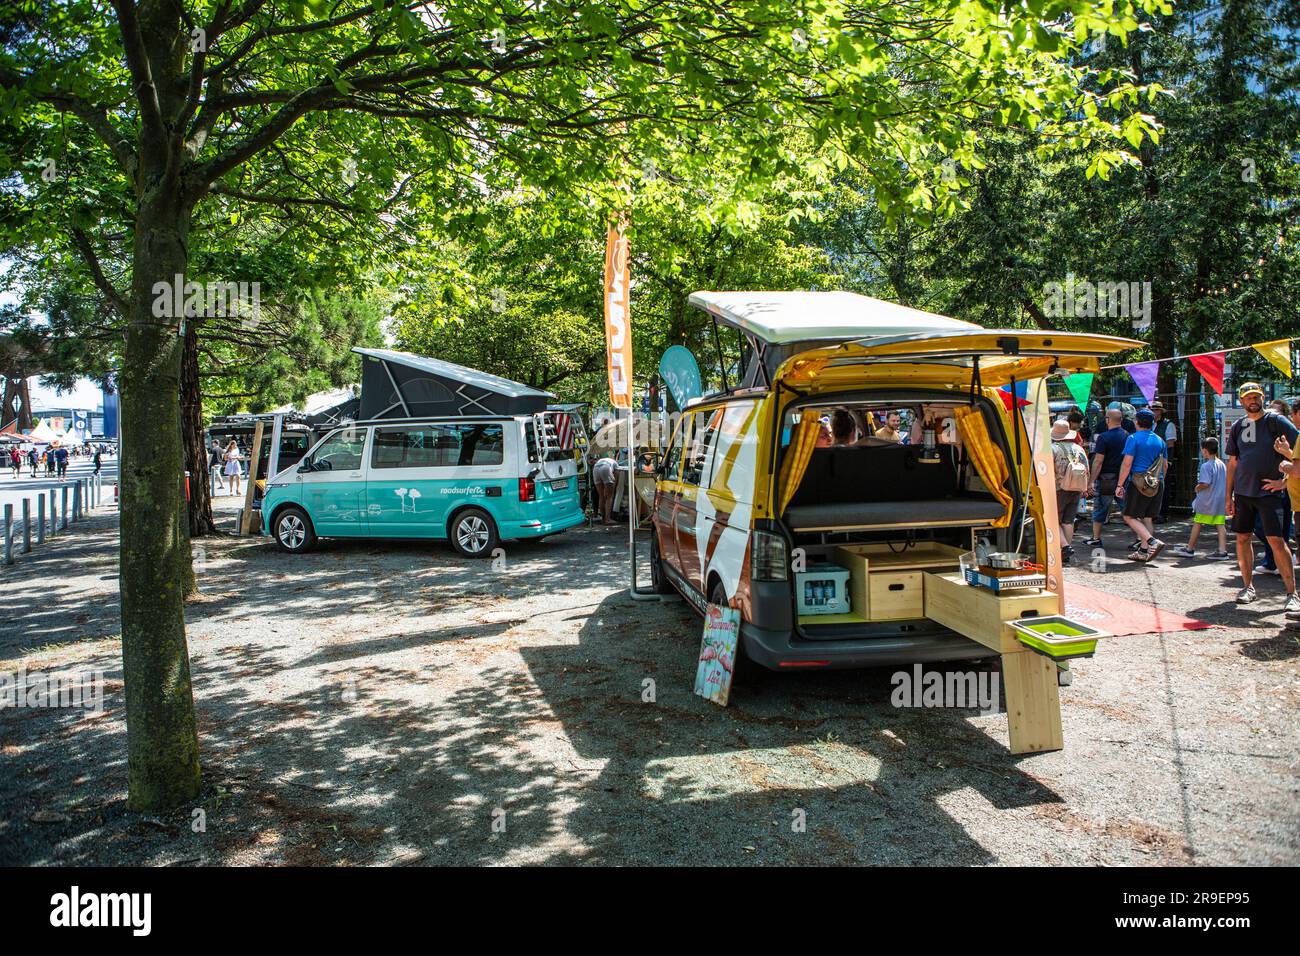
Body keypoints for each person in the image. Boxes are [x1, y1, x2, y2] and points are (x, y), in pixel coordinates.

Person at [1225, 382, 1299, 610]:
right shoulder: (1238, 426)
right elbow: (1233, 463)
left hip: (1269, 493)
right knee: (1242, 538)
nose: (1253, 400)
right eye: (1248, 397)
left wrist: (1284, 482)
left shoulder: (1276, 421)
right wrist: (1228, 496)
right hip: (1243, 493)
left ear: (1263, 397)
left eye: (1256, 396)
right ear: (1241, 401)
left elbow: (1297, 450)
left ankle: (1292, 594)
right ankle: (1248, 587)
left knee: (1277, 541)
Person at [1115, 408, 1167, 561]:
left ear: (1137, 422)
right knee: (1147, 518)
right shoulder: (1160, 440)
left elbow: (1127, 464)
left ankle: (1152, 542)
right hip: (1157, 483)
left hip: (1138, 482)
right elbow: (1164, 466)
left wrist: (1120, 485)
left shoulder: (1133, 438)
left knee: (1129, 516)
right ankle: (1144, 552)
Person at [1172, 437, 1229, 558]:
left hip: (1207, 500)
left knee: (1197, 522)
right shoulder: (1222, 464)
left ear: (1204, 450)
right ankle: (1223, 550)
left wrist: (1197, 487)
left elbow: (1205, 483)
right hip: (1219, 500)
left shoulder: (1206, 466)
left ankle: (1190, 548)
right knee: (1220, 524)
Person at [1085, 407, 1128, 548]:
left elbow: (1098, 461)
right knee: (1128, 510)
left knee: (1100, 508)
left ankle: (1096, 537)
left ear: (1108, 420)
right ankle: (1141, 538)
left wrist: (1091, 481)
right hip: (1123, 479)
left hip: (1105, 480)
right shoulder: (1128, 436)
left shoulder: (1103, 437)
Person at [1051, 419, 1089, 562]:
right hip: (1076, 488)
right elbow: (1086, 468)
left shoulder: (1053, 449)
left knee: (1054, 520)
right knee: (1068, 521)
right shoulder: (1078, 448)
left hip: (1058, 488)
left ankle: (1065, 547)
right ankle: (1066, 550)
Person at [1148, 401, 1178, 522]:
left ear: (1160, 411)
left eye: (1155, 410)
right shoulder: (1149, 425)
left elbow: (1170, 443)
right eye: (1152, 410)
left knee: (1163, 487)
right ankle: (1153, 513)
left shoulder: (1168, 424)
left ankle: (1163, 513)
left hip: (1163, 460)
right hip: (1151, 461)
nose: (1153, 412)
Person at [592, 454, 618, 524]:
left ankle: (603, 519)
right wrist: (613, 488)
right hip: (606, 468)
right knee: (609, 497)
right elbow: (615, 477)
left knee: (601, 496)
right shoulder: (615, 462)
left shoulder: (602, 460)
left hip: (595, 468)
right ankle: (608, 519)